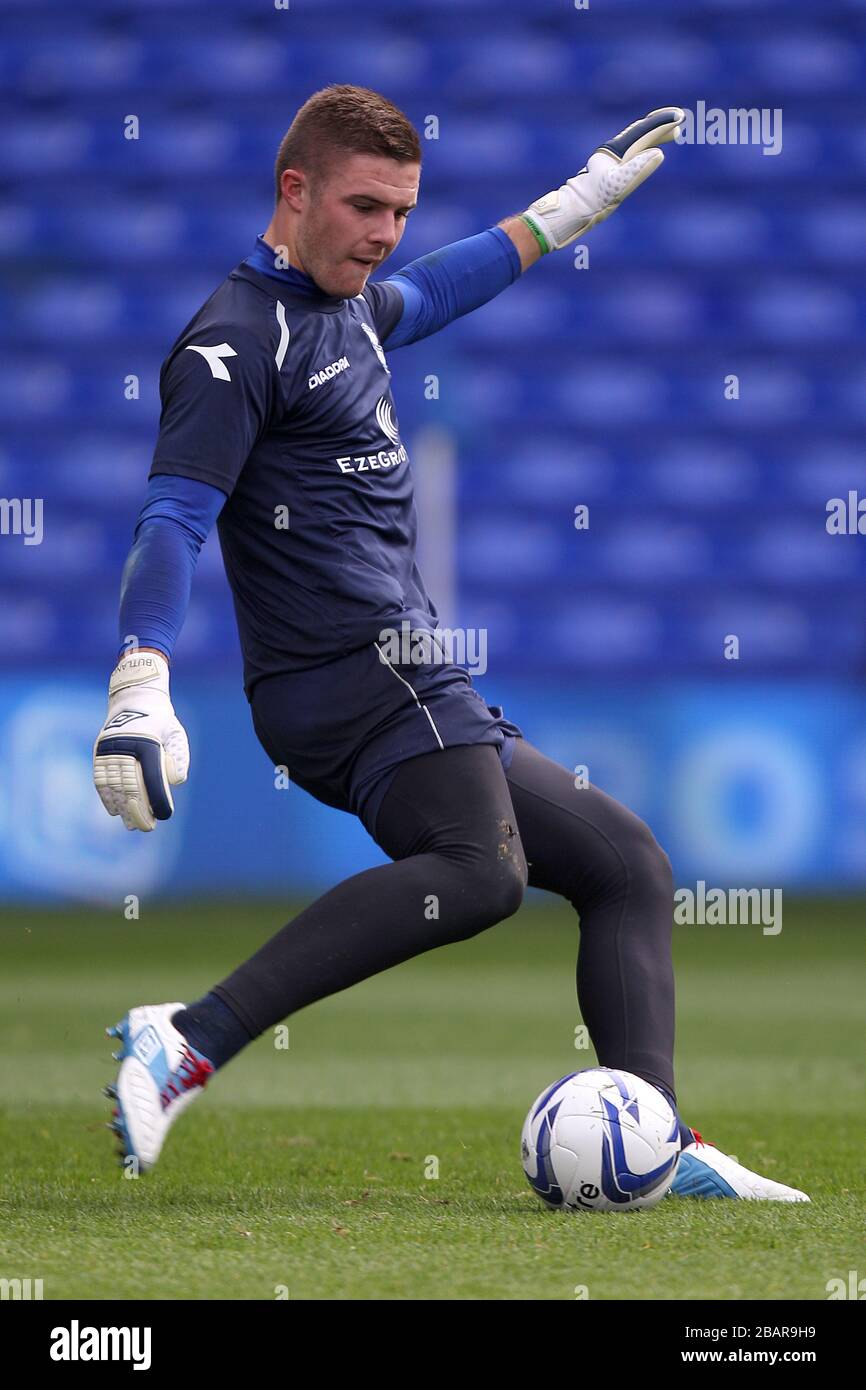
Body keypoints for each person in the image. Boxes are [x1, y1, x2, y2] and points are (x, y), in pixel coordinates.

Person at [94, 85, 807, 1201]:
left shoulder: (356, 309)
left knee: (623, 866)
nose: (382, 234)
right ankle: (187, 1036)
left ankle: (661, 1138)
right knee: (479, 874)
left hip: (411, 673)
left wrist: (577, 202)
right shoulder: (233, 342)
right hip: (347, 673)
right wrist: (141, 679)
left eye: (398, 210)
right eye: (362, 205)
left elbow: (451, 278)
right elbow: (174, 518)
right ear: (294, 192)